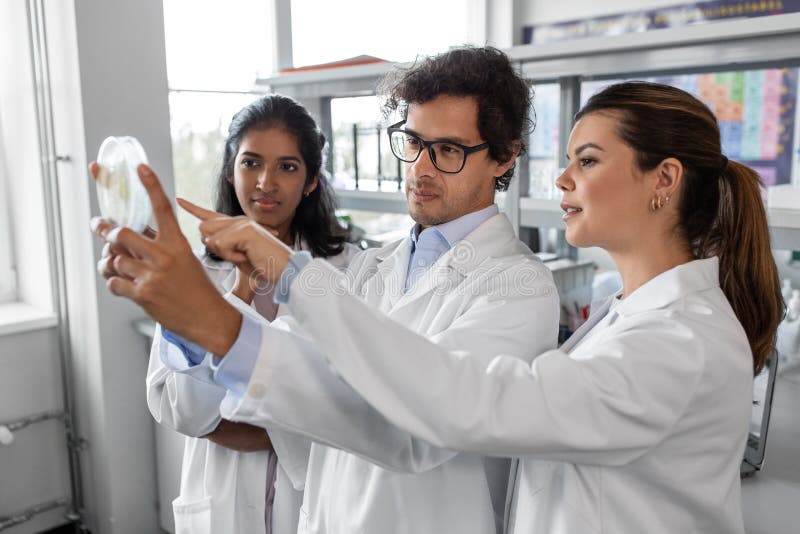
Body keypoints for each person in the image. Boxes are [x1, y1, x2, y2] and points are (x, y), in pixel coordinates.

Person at [192, 81, 785, 533]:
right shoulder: (626, 317)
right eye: (415, 144)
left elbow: (470, 400)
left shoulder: (678, 342)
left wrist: (286, 279)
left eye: (589, 160)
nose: (562, 180)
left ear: (664, 180)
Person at [93, 46, 560, 533]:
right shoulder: (373, 267)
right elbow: (285, 362)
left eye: (447, 150)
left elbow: (415, 430)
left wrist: (224, 311)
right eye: (414, 142)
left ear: (504, 156)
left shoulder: (521, 288)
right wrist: (193, 311)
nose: (420, 168)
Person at [95, 94, 357, 534]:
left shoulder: (346, 269)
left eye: (287, 167)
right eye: (251, 163)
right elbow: (187, 414)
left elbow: (351, 404)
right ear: (231, 169)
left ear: (311, 180)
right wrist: (238, 290)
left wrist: (250, 427)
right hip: (225, 499)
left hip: (316, 494)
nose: (265, 183)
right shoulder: (193, 274)